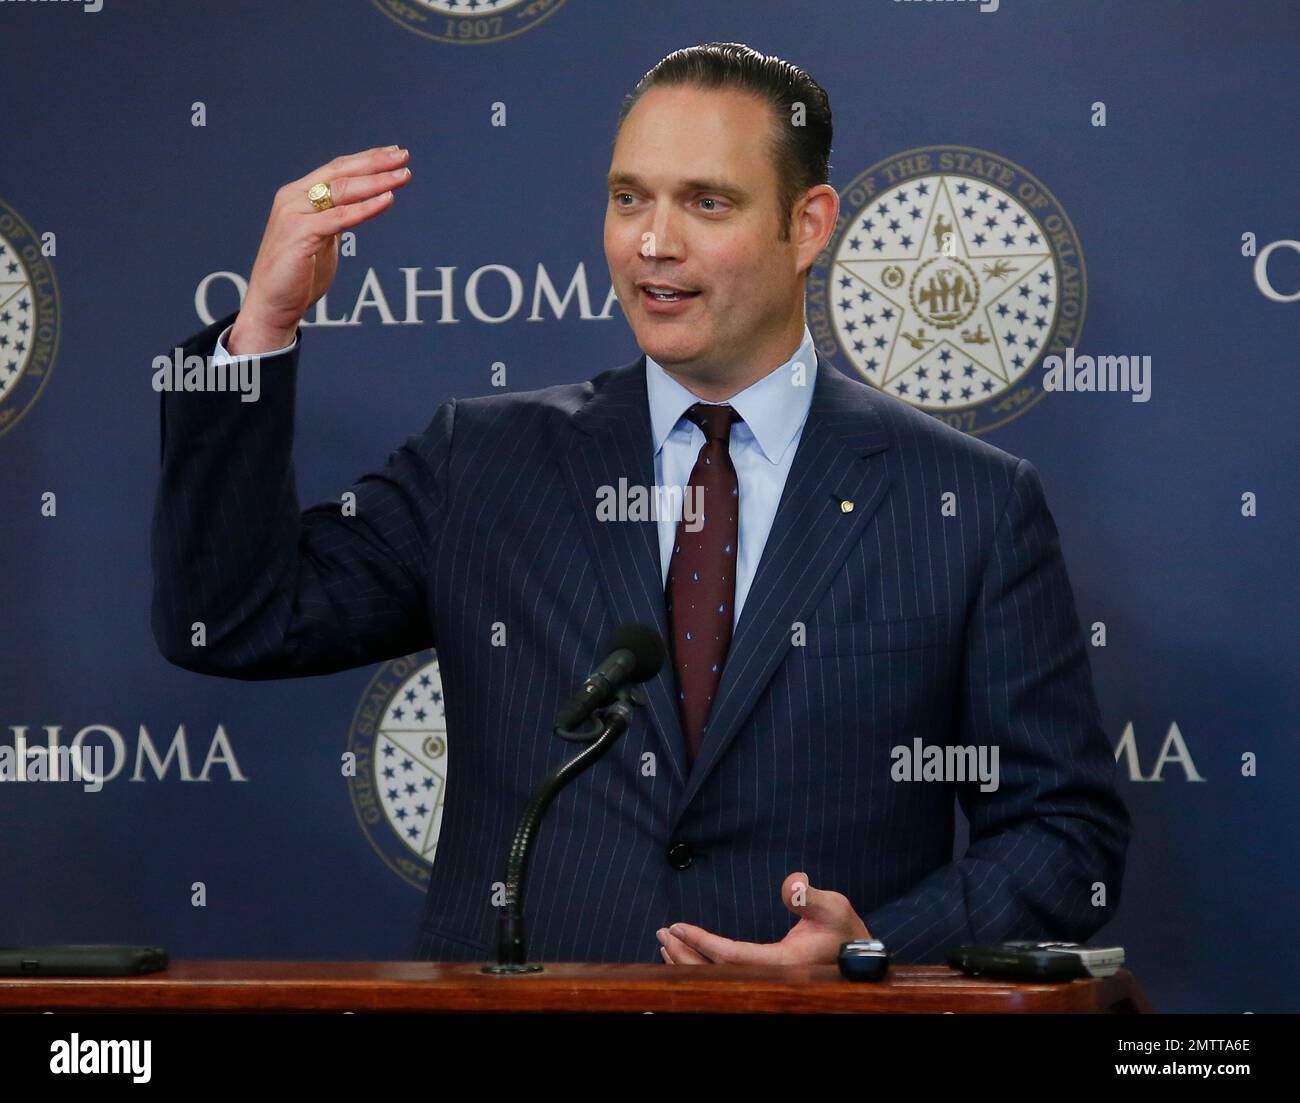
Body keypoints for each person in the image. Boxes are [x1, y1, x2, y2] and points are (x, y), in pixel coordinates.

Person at [152, 42, 1129, 965]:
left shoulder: (965, 500)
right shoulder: (483, 460)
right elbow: (232, 621)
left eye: (707, 202)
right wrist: (263, 325)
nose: (653, 242)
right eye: (629, 199)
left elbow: (1062, 835)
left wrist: (872, 952)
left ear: (810, 225)